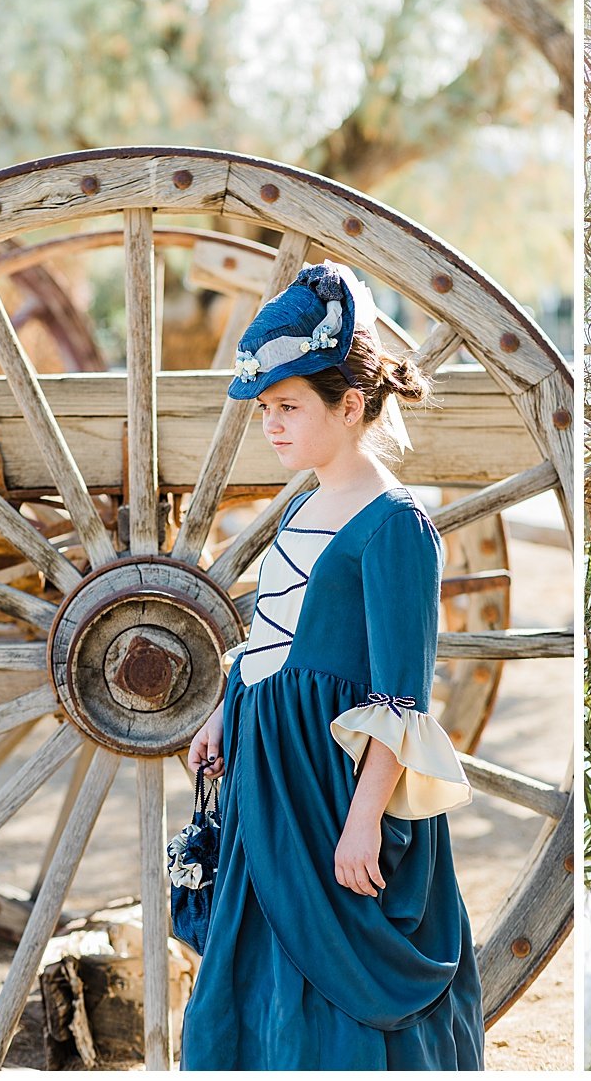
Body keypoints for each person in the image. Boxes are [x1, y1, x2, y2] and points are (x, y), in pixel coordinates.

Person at [178, 262, 483, 1070]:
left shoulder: (396, 526)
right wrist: (223, 709)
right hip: (270, 780)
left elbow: (400, 696)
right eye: (267, 409)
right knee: (260, 977)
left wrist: (361, 822)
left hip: (333, 789)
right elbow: (277, 633)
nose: (272, 425)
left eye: (289, 407)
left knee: (335, 995)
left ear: (350, 406)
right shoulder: (307, 501)